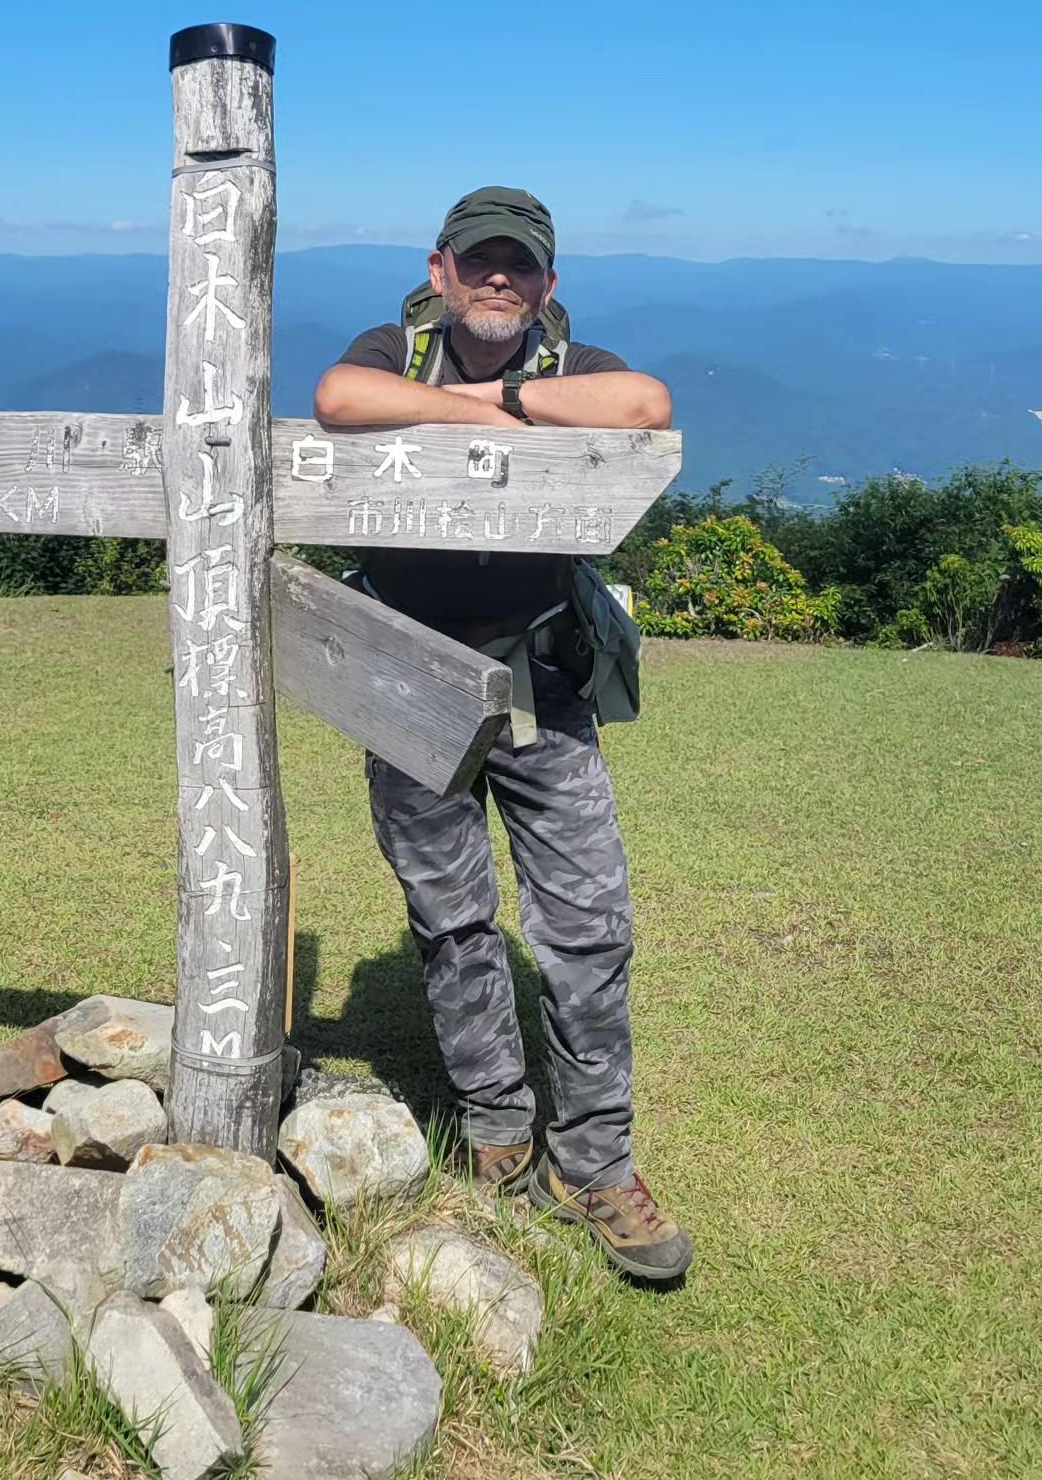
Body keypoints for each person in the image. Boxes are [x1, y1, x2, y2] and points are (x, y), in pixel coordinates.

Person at [314, 186, 693, 1283]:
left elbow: (647, 403)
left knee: (589, 924)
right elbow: (338, 396)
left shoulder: (574, 355)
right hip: (407, 678)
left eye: (518, 267)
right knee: (451, 919)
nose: (498, 279)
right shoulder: (398, 344)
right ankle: (495, 1133)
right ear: (438, 269)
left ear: (547, 285)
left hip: (543, 676)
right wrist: (490, 417)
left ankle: (596, 1162)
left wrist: (507, 399)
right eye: (479, 262)